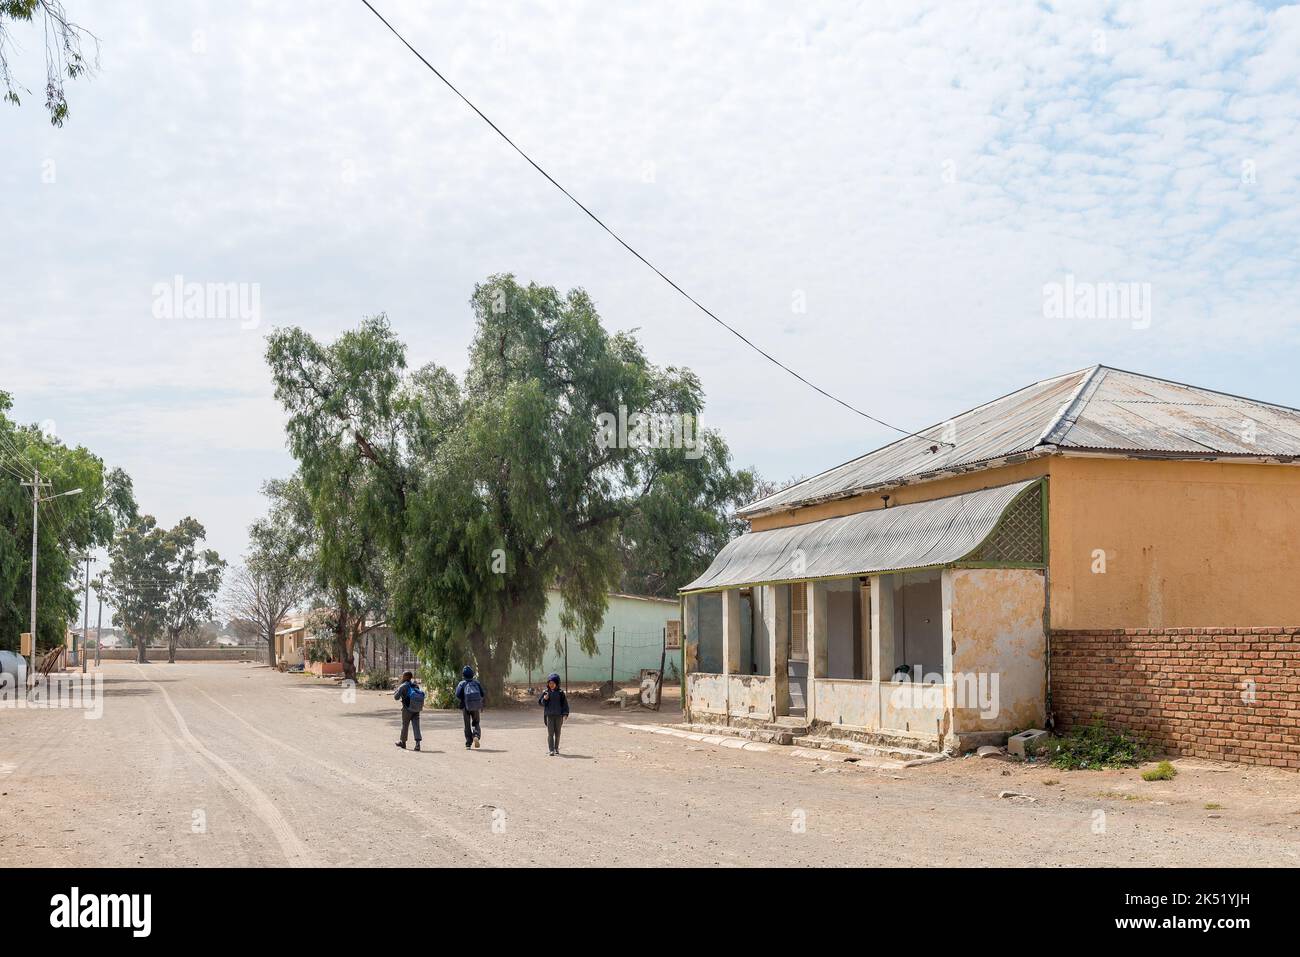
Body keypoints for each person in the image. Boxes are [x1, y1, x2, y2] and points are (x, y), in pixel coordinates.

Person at [454, 665, 485, 750]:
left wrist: (464, 699)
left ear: (463, 675)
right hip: (475, 706)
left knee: (467, 725)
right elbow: (482, 693)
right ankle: (476, 735)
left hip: (465, 707)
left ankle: (468, 743)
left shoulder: (462, 683)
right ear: (472, 674)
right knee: (476, 722)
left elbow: (457, 694)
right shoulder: (476, 683)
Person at [538, 672, 569, 756]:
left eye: (553, 683)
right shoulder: (546, 692)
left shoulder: (561, 693)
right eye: (549, 683)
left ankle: (556, 749)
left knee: (558, 733)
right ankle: (551, 750)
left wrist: (565, 713)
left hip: (559, 716)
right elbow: (541, 703)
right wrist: (544, 699)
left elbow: (565, 704)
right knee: (550, 733)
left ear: (557, 683)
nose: (551, 685)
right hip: (549, 716)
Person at [393, 670, 422, 751]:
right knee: (416, 726)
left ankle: (403, 742)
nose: (402, 677)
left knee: (405, 725)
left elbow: (396, 697)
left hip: (407, 709)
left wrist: (397, 689)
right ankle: (417, 744)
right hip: (416, 709)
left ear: (406, 677)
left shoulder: (403, 686)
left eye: (403, 676)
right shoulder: (415, 685)